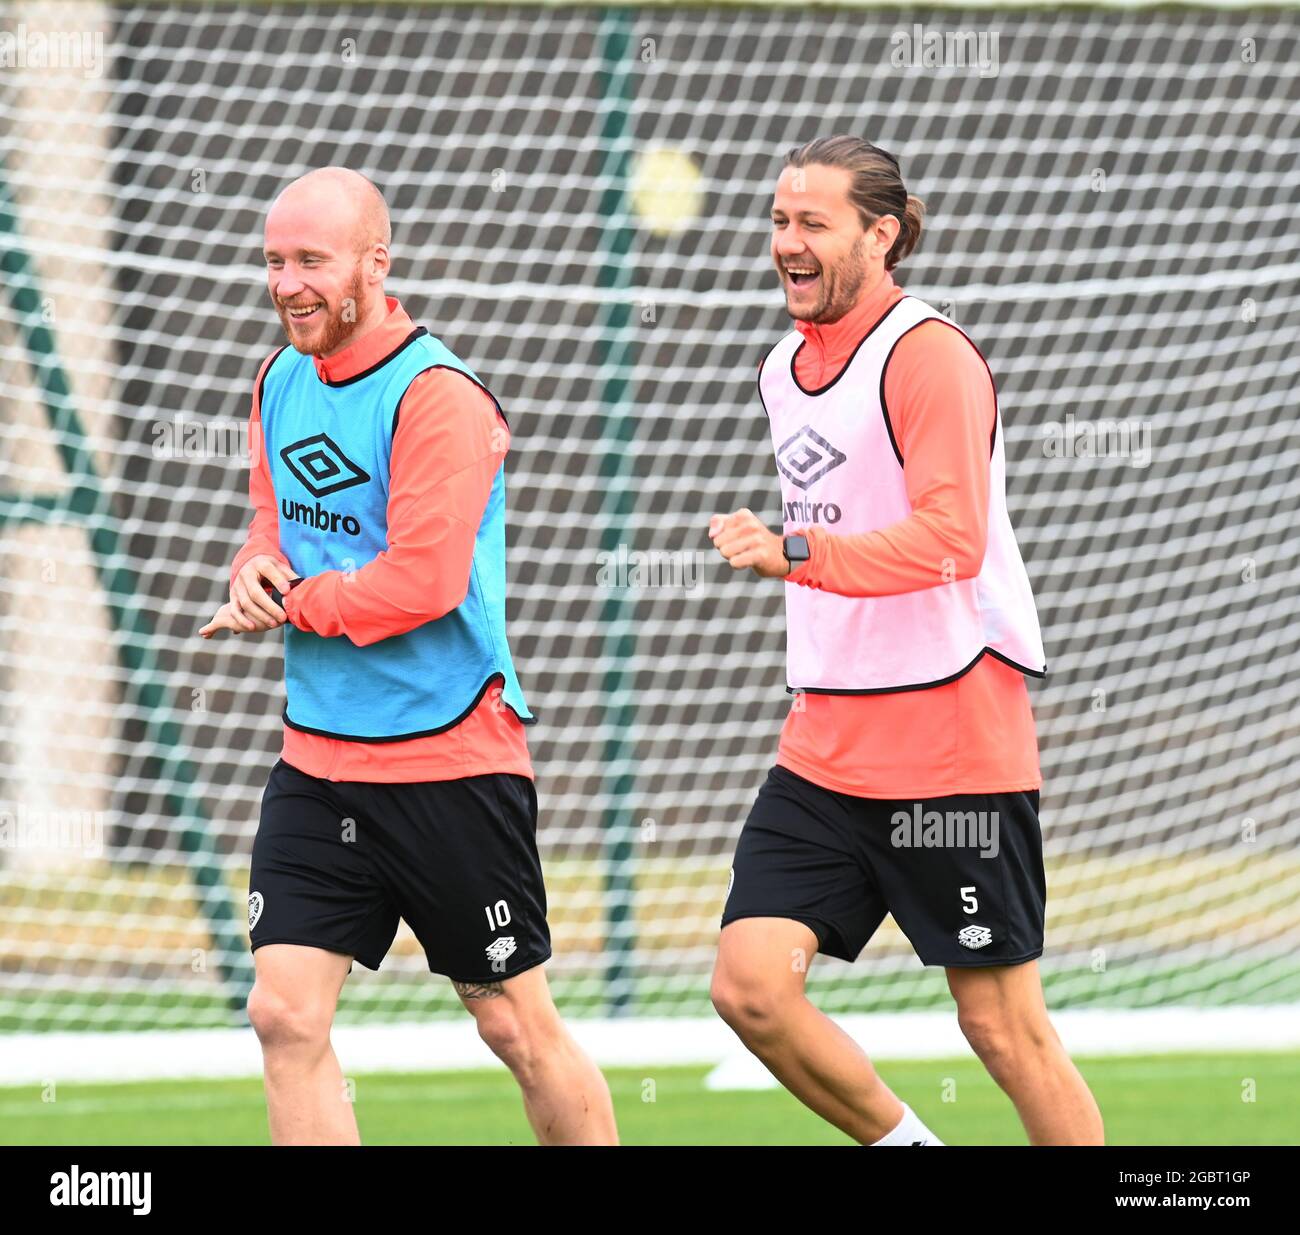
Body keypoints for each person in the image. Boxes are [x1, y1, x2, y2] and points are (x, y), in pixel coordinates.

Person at [200, 167, 617, 1146]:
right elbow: (272, 519)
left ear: (375, 263)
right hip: (317, 760)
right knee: (283, 1012)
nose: (287, 282)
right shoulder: (277, 379)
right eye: (273, 261)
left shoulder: (439, 397)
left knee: (513, 1021)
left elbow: (422, 583)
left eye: (311, 260)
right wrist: (257, 564)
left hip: (450, 761)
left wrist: (294, 603)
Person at [708, 136, 1103, 1146]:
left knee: (1002, 1028)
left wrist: (794, 547)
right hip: (825, 746)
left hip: (950, 744)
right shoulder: (778, 368)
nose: (784, 242)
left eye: (812, 223)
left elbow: (949, 540)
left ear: (880, 234)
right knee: (750, 988)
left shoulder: (929, 356)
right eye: (776, 220)